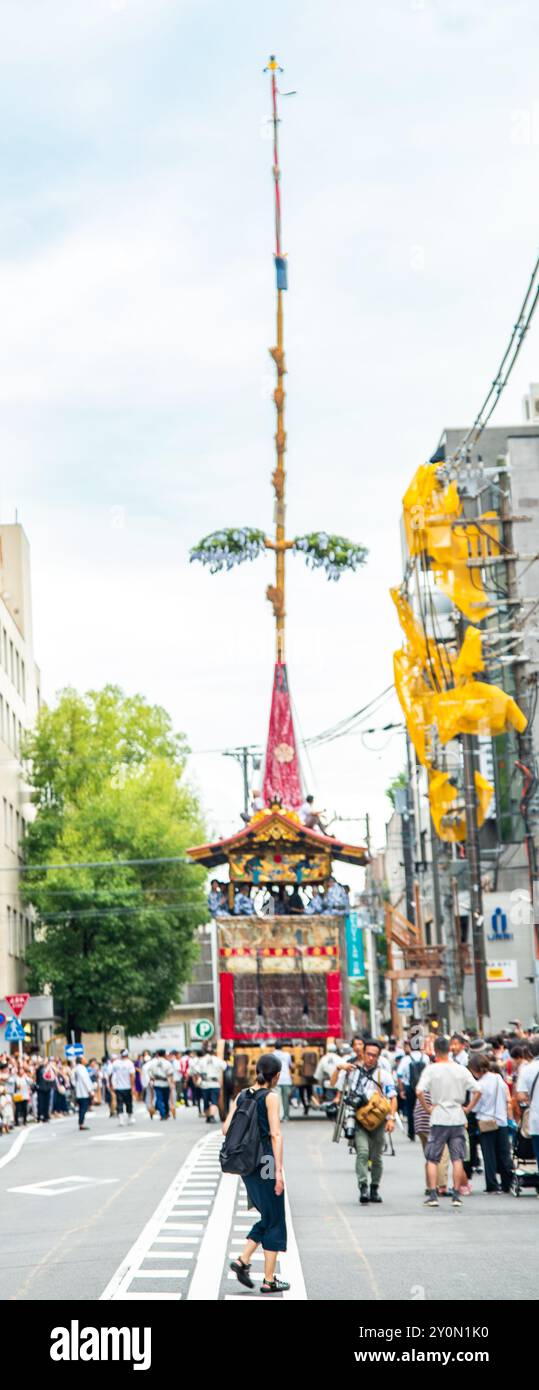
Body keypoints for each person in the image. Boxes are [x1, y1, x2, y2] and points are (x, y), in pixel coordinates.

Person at [225, 1052, 290, 1295]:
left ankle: (243, 1261)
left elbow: (225, 1129)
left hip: (247, 1164)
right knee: (274, 1218)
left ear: (256, 1072)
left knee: (268, 1214)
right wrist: (279, 1172)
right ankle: (269, 1280)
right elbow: (275, 1135)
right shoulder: (271, 1097)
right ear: (276, 1076)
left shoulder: (242, 1095)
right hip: (265, 1161)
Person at [416, 1036, 481, 1207]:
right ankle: (456, 1195)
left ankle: (432, 1195)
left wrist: (427, 1107)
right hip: (457, 1116)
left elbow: (418, 1091)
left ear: (435, 1051)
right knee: (457, 1158)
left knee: (432, 1158)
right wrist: (467, 1108)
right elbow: (478, 1090)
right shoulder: (460, 1070)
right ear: (449, 1050)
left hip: (438, 1116)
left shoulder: (431, 1070)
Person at [337, 1038, 397, 1204]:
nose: (371, 1058)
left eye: (374, 1055)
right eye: (368, 1054)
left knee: (376, 1157)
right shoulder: (352, 1072)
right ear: (362, 1054)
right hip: (358, 1119)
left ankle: (374, 1188)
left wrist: (391, 1118)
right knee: (362, 1152)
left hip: (378, 1121)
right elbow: (336, 1083)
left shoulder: (383, 1075)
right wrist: (339, 1068)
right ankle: (363, 1186)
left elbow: (393, 1098)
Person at [468, 1055, 513, 1193]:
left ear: (475, 1070)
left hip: (485, 1122)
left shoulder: (478, 1085)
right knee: (504, 1153)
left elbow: (474, 1107)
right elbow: (506, 1096)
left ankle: (492, 1184)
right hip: (501, 1120)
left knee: (489, 1155)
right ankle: (507, 1183)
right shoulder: (499, 1079)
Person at [397, 1037, 429, 1141]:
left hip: (409, 1087)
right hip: (423, 1087)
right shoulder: (425, 1058)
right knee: (424, 1109)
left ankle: (411, 1133)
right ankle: (424, 1130)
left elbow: (399, 1075)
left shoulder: (405, 1059)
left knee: (410, 1110)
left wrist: (401, 1090)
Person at [516, 1039, 539, 1178]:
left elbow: (520, 1096)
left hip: (536, 1117)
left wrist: (530, 1097)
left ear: (530, 1052)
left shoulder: (527, 1069)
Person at [195, 1045, 227, 1124]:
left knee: (205, 1101)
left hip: (205, 1084)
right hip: (215, 1084)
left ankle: (208, 1116)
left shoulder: (201, 1060)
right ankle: (212, 1116)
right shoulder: (218, 1060)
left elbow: (195, 1070)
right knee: (214, 1101)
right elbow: (225, 1067)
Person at [110, 1049, 136, 1126]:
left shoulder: (115, 1063)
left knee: (119, 1103)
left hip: (118, 1087)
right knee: (129, 1103)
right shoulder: (130, 1063)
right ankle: (130, 1117)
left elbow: (111, 1074)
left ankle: (121, 1120)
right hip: (127, 1087)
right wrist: (132, 1086)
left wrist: (111, 1084)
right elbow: (132, 1075)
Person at [147, 1050, 174, 1120]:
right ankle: (166, 1113)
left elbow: (150, 1073)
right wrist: (171, 1083)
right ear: (164, 1054)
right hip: (166, 1083)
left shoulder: (153, 1063)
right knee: (166, 1099)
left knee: (159, 1099)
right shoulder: (167, 1063)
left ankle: (163, 1114)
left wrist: (152, 1080)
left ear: (157, 1054)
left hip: (157, 1083)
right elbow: (170, 1074)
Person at [73, 1055, 95, 1131]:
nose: (86, 1060)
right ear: (81, 1060)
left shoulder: (76, 1068)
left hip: (79, 1091)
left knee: (82, 1108)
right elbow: (85, 1079)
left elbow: (73, 1080)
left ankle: (81, 1122)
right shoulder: (81, 1068)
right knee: (84, 1108)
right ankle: (81, 1123)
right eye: (84, 1059)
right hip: (83, 1092)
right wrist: (90, 1090)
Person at [272, 1045, 294, 1119]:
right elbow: (291, 1065)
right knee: (286, 1099)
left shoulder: (272, 1055)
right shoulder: (287, 1055)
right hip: (286, 1080)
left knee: (277, 1098)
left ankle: (278, 1115)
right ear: (282, 1048)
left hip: (276, 1080)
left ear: (274, 1047)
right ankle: (286, 1116)